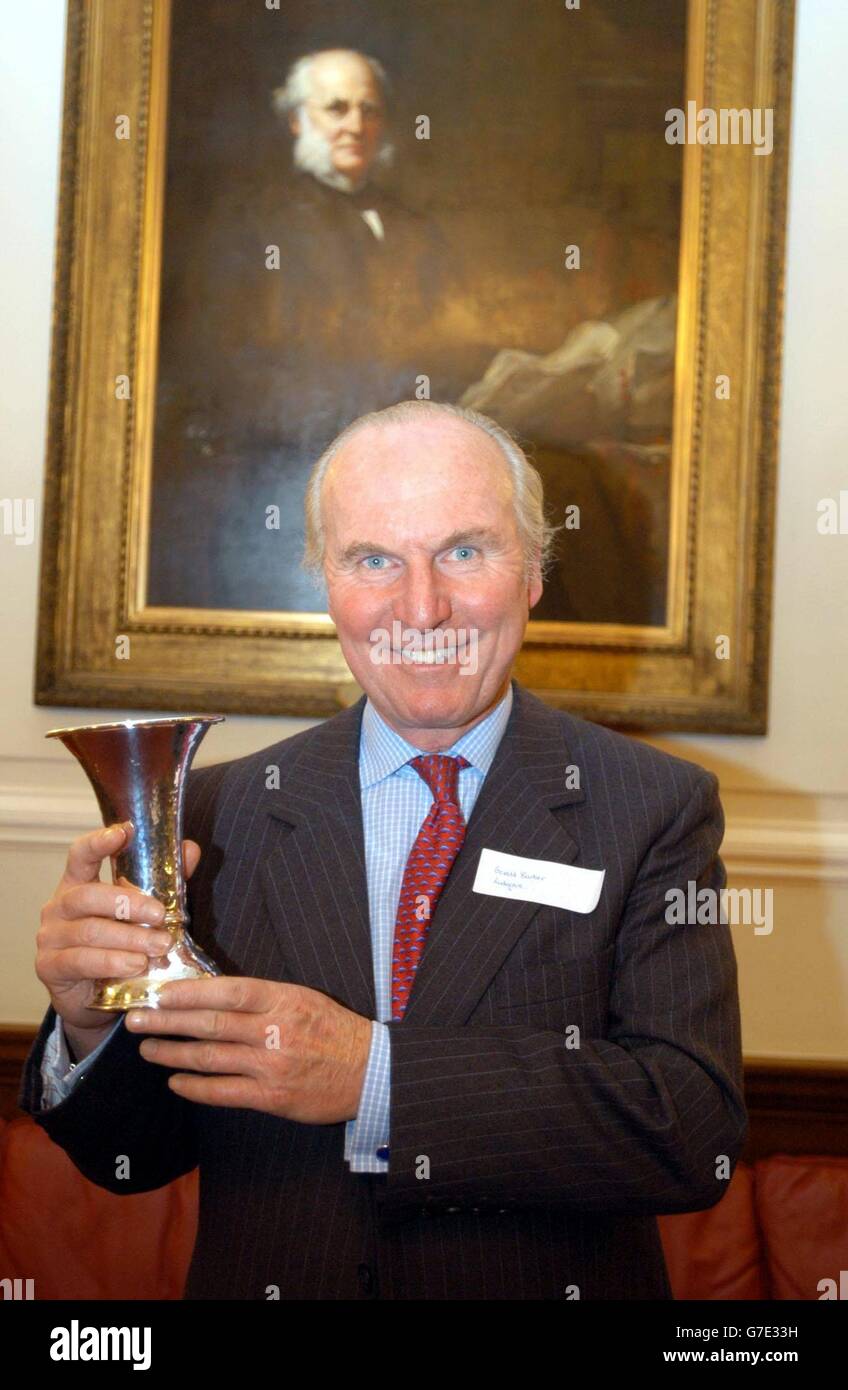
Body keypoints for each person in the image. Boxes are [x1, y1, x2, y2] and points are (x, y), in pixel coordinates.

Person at [23, 399, 747, 1300]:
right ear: (326, 583)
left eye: (464, 551)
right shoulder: (216, 809)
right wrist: (90, 1022)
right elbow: (132, 1160)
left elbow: (691, 1130)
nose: (421, 605)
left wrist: (376, 1078)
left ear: (532, 573)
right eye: (374, 560)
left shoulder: (655, 806)